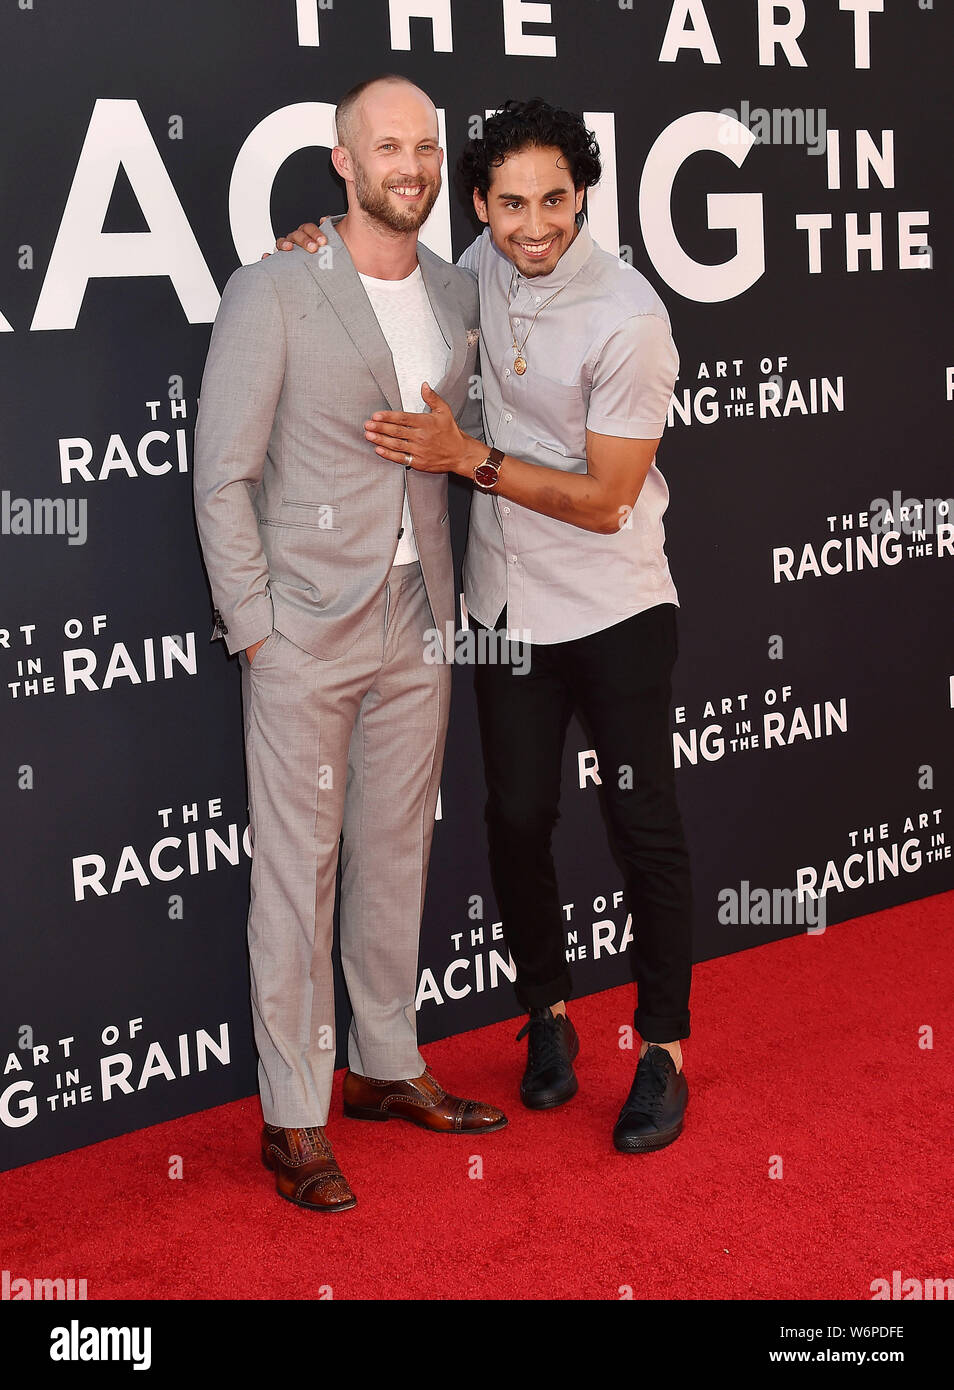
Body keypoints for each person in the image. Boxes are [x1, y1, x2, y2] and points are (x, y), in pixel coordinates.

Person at [278, 98, 693, 1154]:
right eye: (511, 203)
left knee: (643, 829)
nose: (534, 224)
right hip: (505, 609)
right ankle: (546, 1019)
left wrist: (470, 461)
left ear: (583, 194)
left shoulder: (631, 319)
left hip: (614, 606)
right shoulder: (476, 265)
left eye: (554, 198)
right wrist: (314, 248)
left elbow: (606, 500)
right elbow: (385, 258)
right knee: (516, 820)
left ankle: (661, 1050)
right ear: (481, 204)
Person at [193, 74, 506, 1214]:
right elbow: (220, 474)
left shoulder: (451, 289)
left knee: (393, 856)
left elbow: (460, 438)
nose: (411, 166)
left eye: (424, 147)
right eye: (388, 148)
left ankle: (383, 1063)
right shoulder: (275, 285)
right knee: (296, 876)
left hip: (418, 623)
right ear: (343, 160)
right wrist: (257, 631)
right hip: (304, 636)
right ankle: (291, 1116)